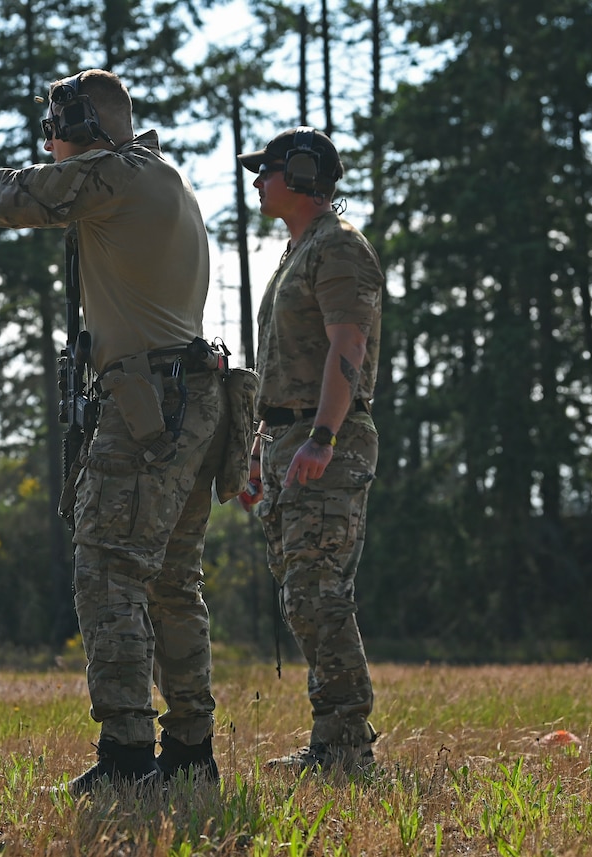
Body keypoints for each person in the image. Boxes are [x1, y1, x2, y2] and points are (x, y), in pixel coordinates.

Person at [0, 69, 247, 794]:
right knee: (170, 582)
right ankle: (191, 752)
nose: (48, 145)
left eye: (53, 130)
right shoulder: (157, 177)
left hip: (151, 404)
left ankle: (127, 758)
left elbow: (18, 195)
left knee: (109, 572)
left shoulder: (118, 175)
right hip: (189, 398)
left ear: (84, 127)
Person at [236, 127, 383, 774]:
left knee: (319, 593)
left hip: (328, 441)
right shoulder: (298, 251)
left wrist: (324, 436)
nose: (257, 181)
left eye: (266, 170)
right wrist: (260, 447)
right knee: (303, 594)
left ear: (299, 173)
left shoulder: (339, 248)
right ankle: (333, 737)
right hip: (289, 439)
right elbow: (287, 362)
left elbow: (348, 345)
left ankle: (345, 745)